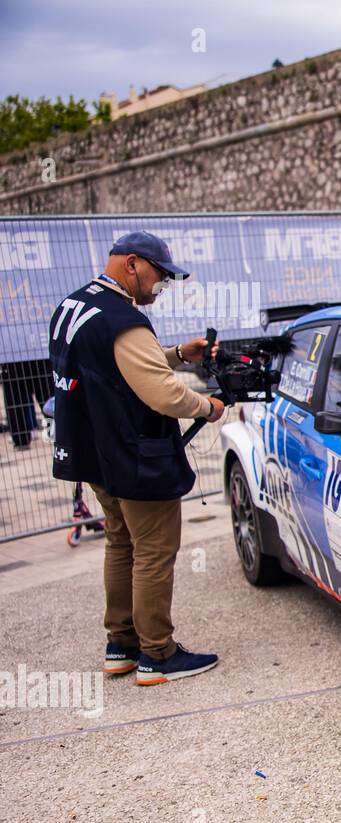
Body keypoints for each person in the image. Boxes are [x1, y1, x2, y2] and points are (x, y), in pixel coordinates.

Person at [48, 231, 222, 685]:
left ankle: (120, 646)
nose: (160, 287)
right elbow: (161, 393)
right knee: (153, 551)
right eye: (158, 276)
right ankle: (158, 655)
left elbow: (117, 367)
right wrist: (208, 407)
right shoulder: (121, 319)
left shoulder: (75, 306)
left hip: (94, 456)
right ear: (131, 264)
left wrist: (179, 354)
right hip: (133, 457)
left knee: (121, 543)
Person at [1, 357, 54, 449]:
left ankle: (57, 433)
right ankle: (21, 439)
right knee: (17, 402)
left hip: (37, 356)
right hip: (12, 360)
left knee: (48, 399)